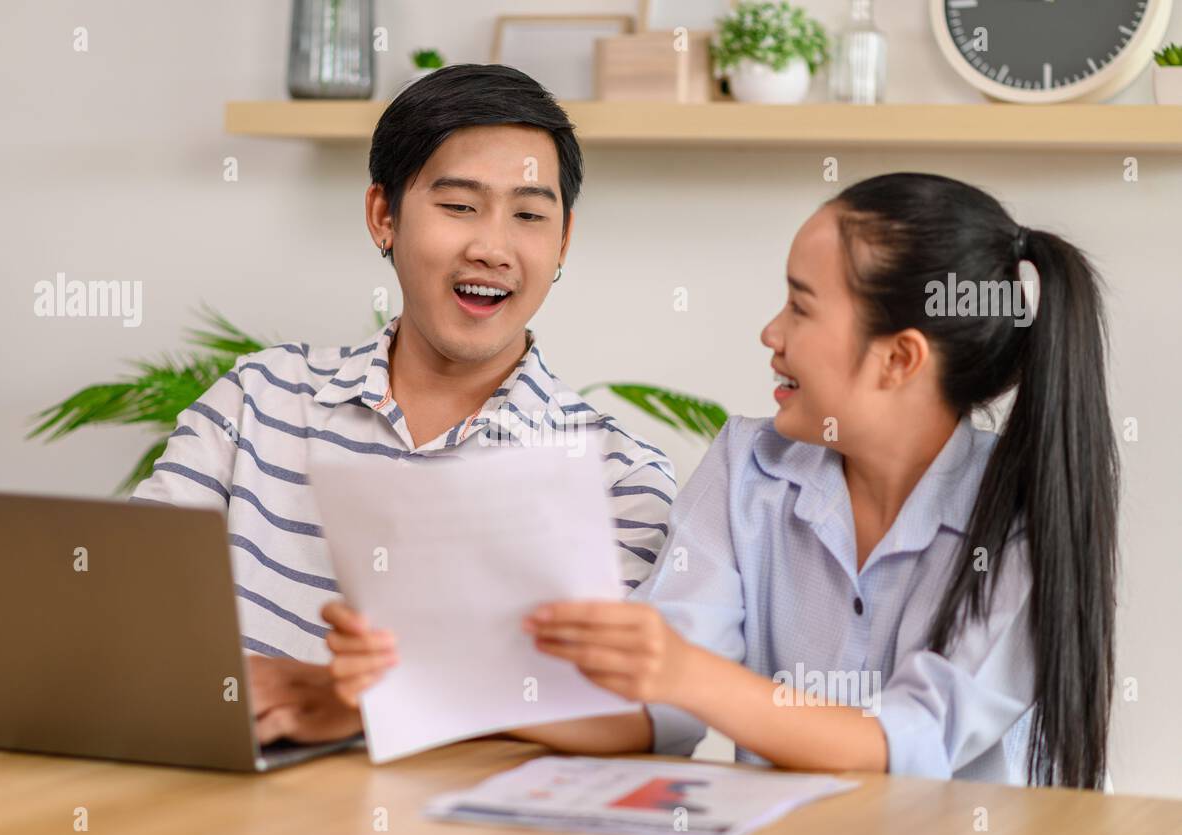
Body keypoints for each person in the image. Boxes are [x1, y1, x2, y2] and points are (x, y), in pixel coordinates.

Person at [361, 171, 1117, 788]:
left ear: (899, 359)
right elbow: (661, 711)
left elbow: (908, 741)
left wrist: (684, 670)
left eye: (800, 305)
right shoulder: (747, 469)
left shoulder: (1021, 515)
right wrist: (427, 679)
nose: (771, 333)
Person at [131, 65, 675, 749]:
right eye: (459, 206)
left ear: (563, 242)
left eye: (531, 215)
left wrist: (360, 698)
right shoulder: (258, 400)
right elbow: (127, 610)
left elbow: (629, 720)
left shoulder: (619, 477)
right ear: (383, 217)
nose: (493, 247)